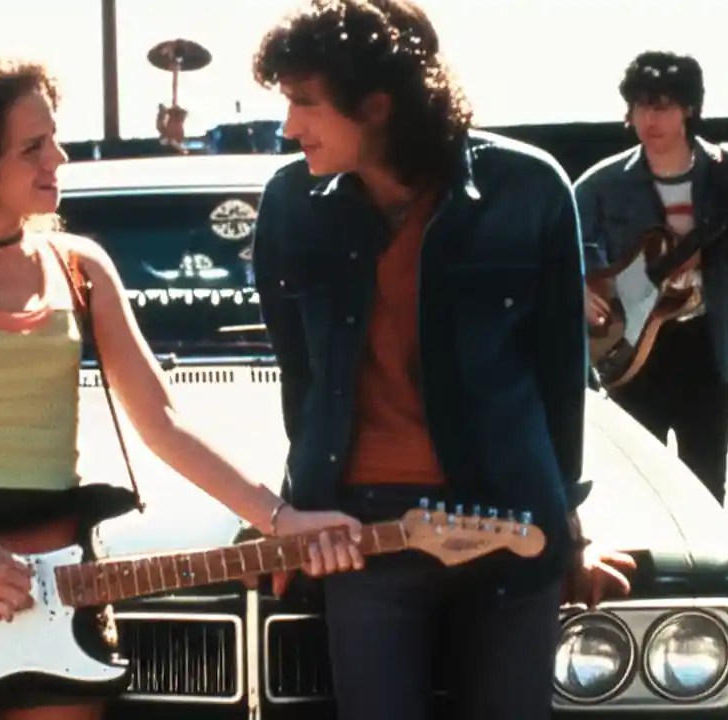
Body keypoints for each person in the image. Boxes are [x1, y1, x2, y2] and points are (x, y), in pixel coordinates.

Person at [0, 55, 363, 720]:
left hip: (56, 573)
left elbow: (161, 422)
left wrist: (278, 518)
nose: (59, 158)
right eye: (32, 147)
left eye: (54, 138)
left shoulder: (81, 267)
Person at [248, 2, 636, 718]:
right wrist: (291, 514)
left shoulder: (529, 187)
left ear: (377, 105)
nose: (288, 127)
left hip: (512, 522)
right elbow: (302, 384)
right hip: (363, 534)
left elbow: (560, 380)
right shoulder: (290, 203)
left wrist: (569, 531)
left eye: (304, 103)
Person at [574, 50, 728, 505]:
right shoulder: (601, 186)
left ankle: (708, 573)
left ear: (689, 109)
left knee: (706, 482)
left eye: (663, 106)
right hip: (632, 351)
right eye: (640, 106)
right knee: (639, 487)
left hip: (712, 347)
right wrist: (577, 290)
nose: (650, 119)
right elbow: (559, 252)